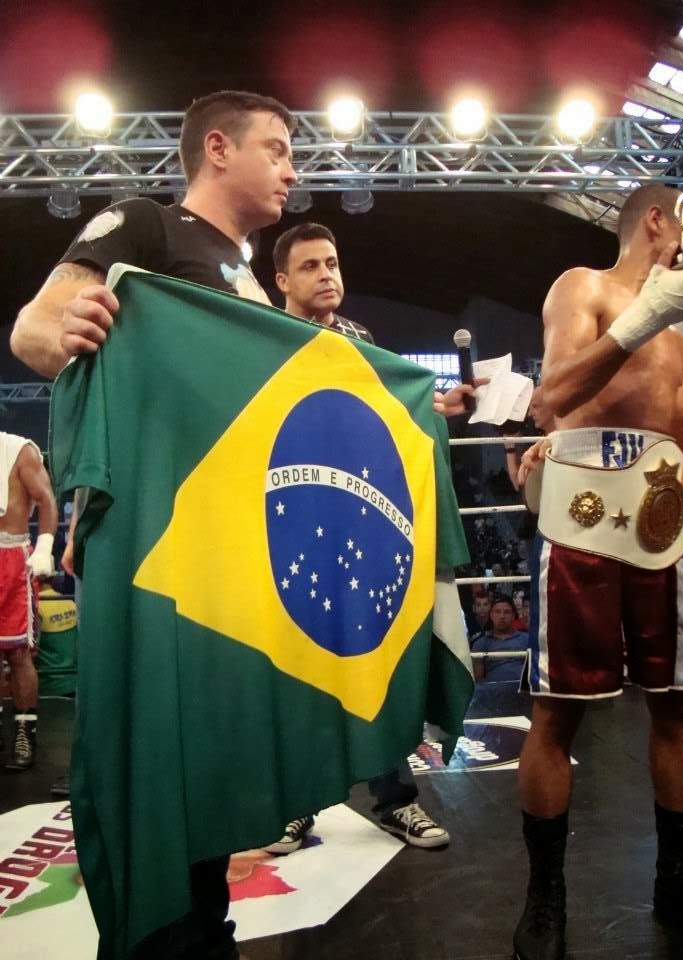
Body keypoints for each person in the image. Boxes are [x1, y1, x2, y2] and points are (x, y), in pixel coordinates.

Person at [11, 89, 298, 960]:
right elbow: (32, 329)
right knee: (154, 770)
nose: (294, 169)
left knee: (213, 773)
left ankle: (204, 932)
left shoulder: (253, 278)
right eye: (278, 148)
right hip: (154, 556)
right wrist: (68, 323)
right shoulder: (145, 225)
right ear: (218, 147)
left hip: (234, 556)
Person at [513, 183, 683, 960]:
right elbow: (552, 397)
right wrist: (645, 317)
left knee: (678, 706)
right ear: (661, 220)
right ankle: (545, 897)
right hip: (582, 516)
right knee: (558, 713)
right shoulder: (584, 287)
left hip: (664, 522)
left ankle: (677, 876)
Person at [267, 221, 450, 851]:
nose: (327, 275)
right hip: (290, 523)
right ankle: (297, 804)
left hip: (361, 522)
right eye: (311, 266)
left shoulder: (362, 340)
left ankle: (395, 799)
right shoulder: (262, 339)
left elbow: (391, 415)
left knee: (373, 660)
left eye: (333, 263)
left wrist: (434, 408)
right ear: (282, 281)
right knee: (298, 665)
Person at [0, 432, 58, 772]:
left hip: (10, 558)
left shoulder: (18, 451)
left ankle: (25, 730)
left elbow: (47, 499)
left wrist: (45, 545)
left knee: (18, 652)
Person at [471, 595, 528, 684]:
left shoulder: (526, 639)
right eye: (497, 612)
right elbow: (478, 680)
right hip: (492, 693)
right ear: (491, 615)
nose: (502, 616)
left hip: (522, 692)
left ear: (513, 616)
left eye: (507, 612)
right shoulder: (480, 643)